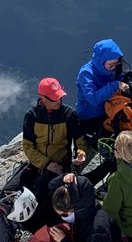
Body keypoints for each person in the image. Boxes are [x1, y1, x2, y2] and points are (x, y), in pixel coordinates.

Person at [11, 78, 89, 232]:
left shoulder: (69, 114)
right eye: (55, 98)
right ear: (43, 99)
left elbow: (80, 141)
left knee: (41, 191)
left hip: (61, 165)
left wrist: (81, 152)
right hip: (39, 164)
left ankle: (32, 227)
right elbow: (28, 146)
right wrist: (46, 164)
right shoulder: (32, 116)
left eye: (60, 96)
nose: (59, 101)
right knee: (14, 187)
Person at [75, 39, 129, 146]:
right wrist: (115, 85)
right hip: (89, 118)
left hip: (108, 114)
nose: (114, 67)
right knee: (89, 150)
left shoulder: (112, 69)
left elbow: (120, 83)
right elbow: (93, 99)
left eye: (116, 64)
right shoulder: (86, 73)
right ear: (101, 60)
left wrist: (127, 80)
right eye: (111, 65)